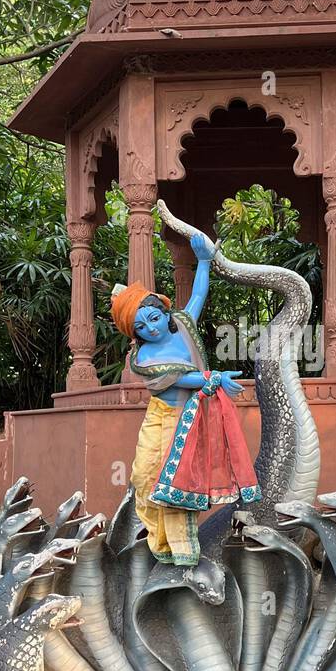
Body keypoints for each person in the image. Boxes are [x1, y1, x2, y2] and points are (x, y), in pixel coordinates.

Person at [110, 230, 260, 566]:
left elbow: (197, 298)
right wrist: (213, 377)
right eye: (141, 326)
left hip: (188, 418)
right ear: (134, 333)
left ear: (163, 311)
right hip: (161, 415)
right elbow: (181, 378)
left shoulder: (180, 325)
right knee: (143, 477)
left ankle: (182, 551)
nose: (152, 327)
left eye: (154, 317)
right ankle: (159, 544)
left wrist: (204, 262)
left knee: (174, 484)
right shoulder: (144, 358)